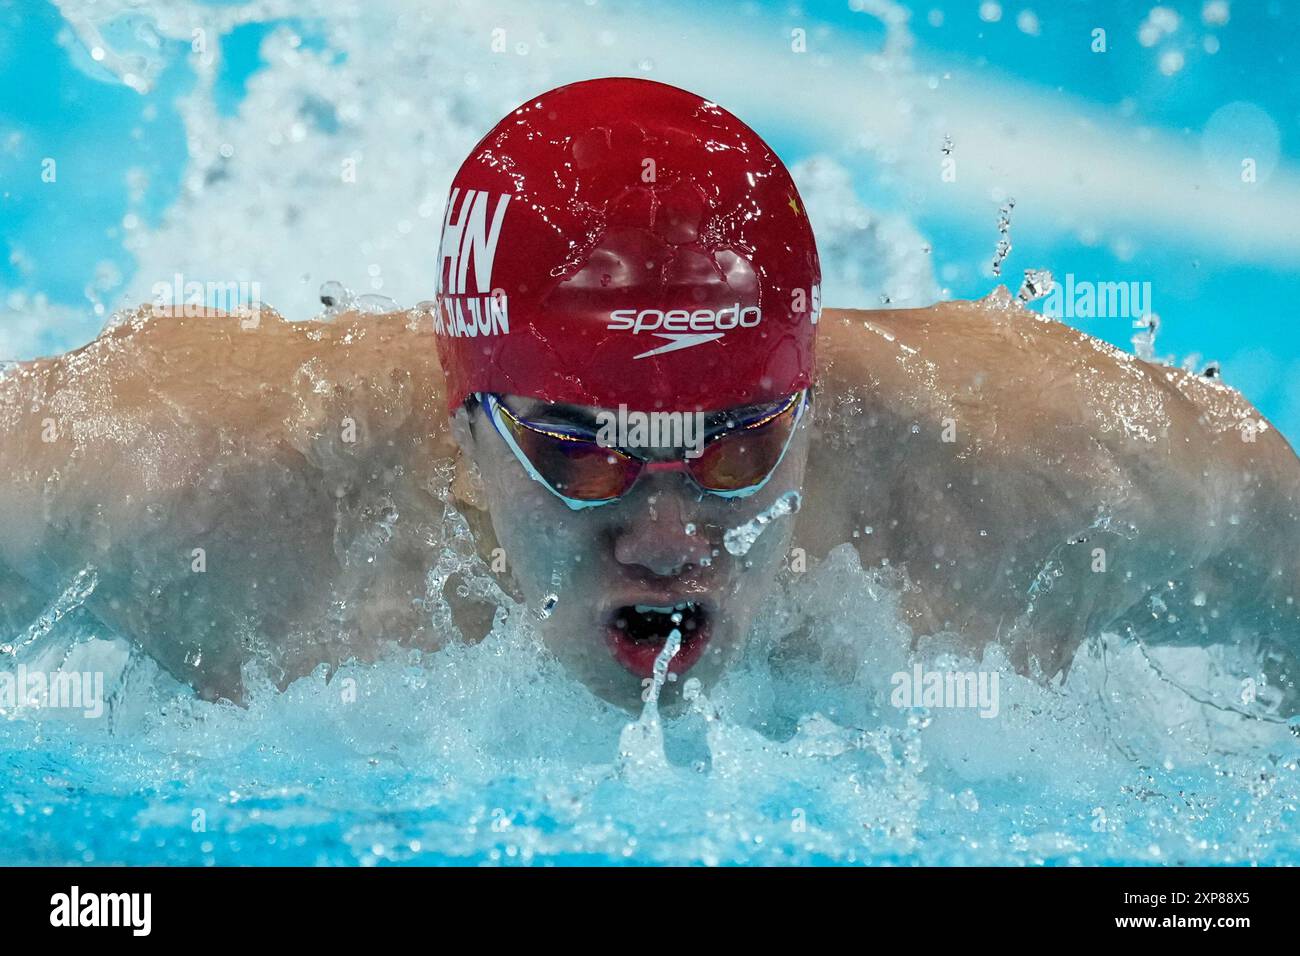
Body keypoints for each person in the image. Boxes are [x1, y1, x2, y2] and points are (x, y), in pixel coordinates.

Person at [1, 78, 1297, 711]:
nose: (672, 538)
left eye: (738, 449)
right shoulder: (179, 490)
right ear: (469, 422)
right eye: (587, 456)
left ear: (809, 401)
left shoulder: (1063, 477)